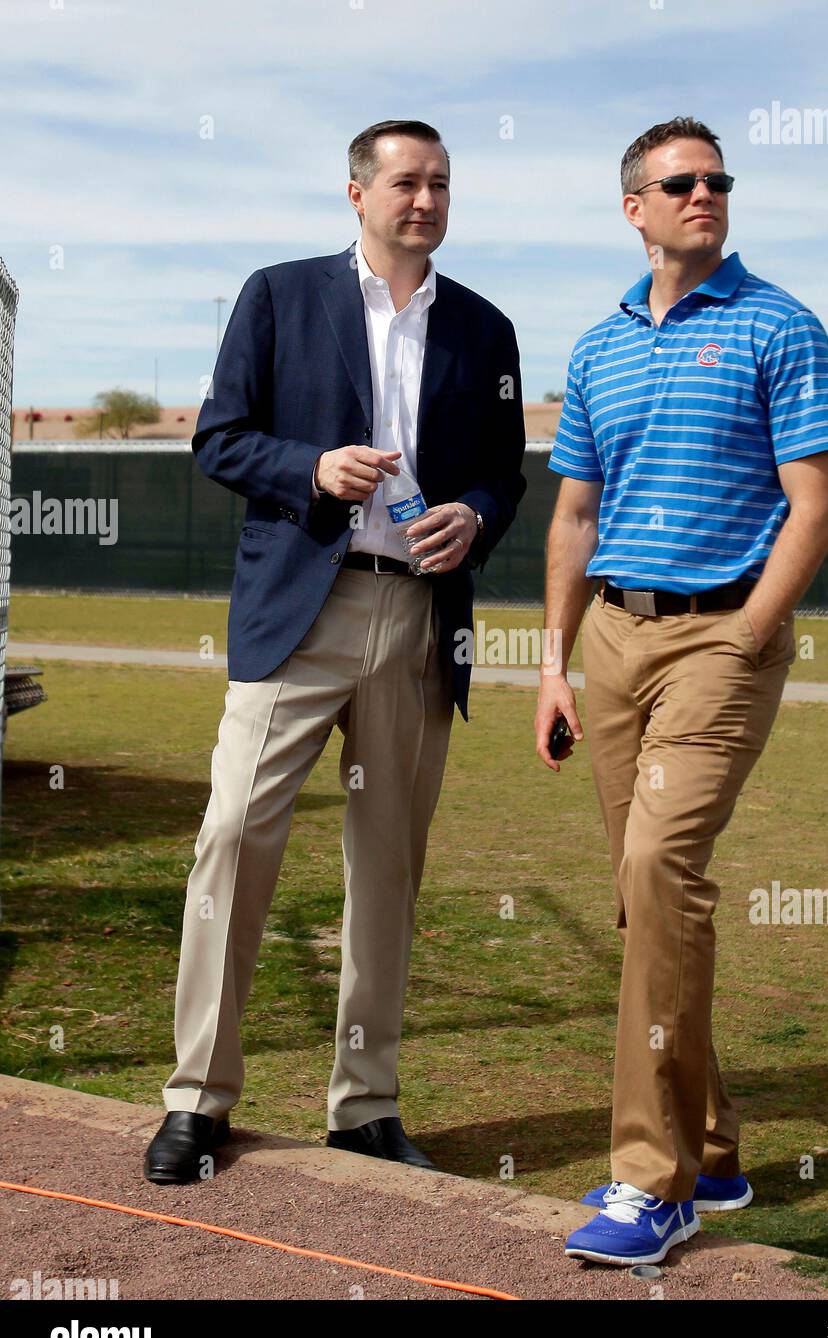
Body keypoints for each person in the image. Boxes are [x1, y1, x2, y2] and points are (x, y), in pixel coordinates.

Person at [145, 119, 526, 1184]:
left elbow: (504, 473)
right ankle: (196, 1100)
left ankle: (364, 1107)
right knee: (232, 839)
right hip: (296, 618)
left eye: (441, 182)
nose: (425, 199)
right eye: (405, 181)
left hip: (417, 619)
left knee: (386, 869)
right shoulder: (277, 294)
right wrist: (312, 467)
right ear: (354, 193)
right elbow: (219, 437)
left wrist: (475, 519)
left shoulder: (485, 331)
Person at [534, 116, 828, 1265]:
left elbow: (813, 504)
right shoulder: (595, 346)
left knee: (659, 868)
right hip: (613, 639)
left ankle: (649, 1179)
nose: (705, 194)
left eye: (718, 179)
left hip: (722, 632)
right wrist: (552, 662)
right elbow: (573, 512)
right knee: (642, 899)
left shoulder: (779, 324)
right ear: (634, 206)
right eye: (681, 182)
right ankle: (711, 1149)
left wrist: (749, 635)